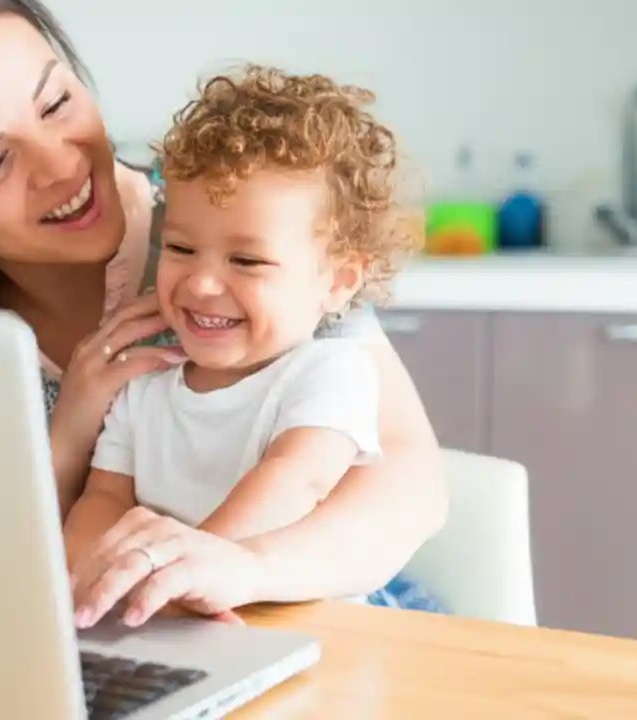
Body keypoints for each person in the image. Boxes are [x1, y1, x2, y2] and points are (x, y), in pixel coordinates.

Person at [0, 0, 447, 614]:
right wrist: (71, 433)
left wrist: (226, 570)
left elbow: (410, 488)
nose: (62, 167)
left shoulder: (233, 214)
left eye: (56, 103)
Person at [65, 66, 423, 628]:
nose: (202, 284)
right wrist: (89, 574)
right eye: (181, 247)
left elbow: (296, 480)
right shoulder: (145, 384)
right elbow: (102, 501)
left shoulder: (332, 372)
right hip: (180, 618)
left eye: (247, 261)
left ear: (337, 283)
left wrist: (187, 571)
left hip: (306, 622)